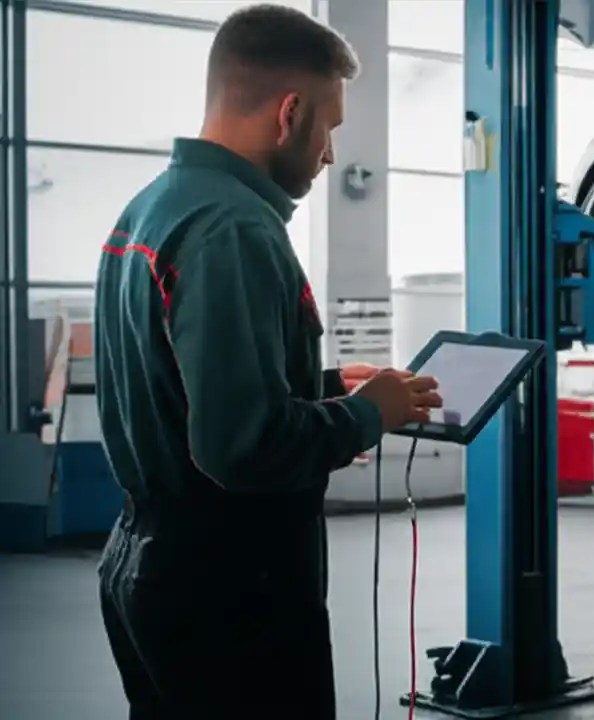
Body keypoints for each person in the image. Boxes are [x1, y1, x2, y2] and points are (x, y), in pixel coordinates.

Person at [91, 5, 438, 718]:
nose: (330, 154)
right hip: (230, 592)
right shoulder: (233, 228)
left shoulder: (153, 207)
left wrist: (321, 387)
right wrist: (369, 414)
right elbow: (240, 448)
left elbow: (175, 385)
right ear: (289, 114)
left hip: (149, 562)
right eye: (329, 127)